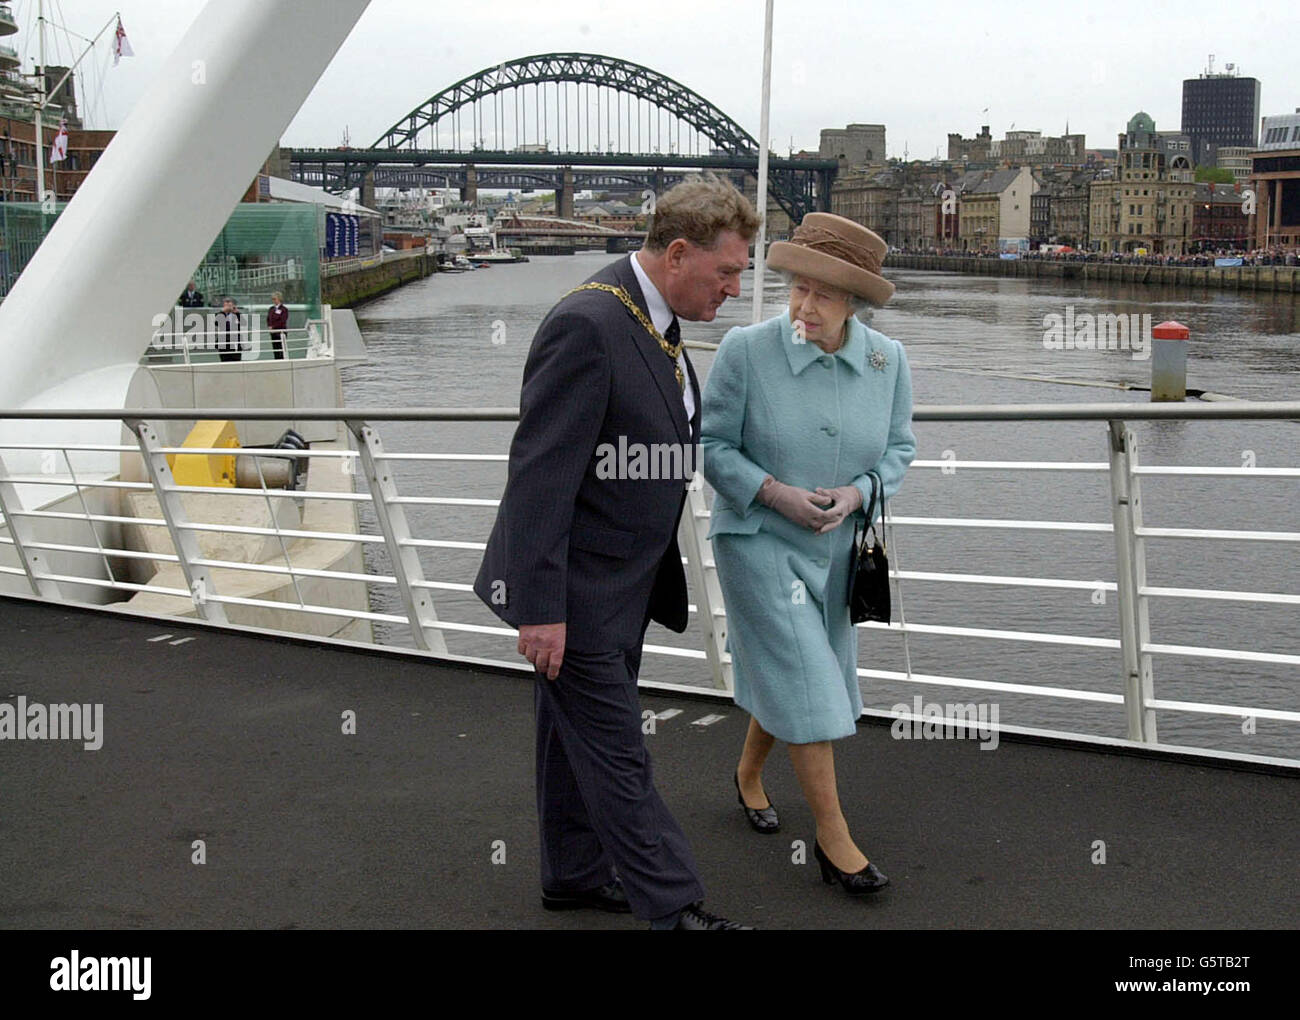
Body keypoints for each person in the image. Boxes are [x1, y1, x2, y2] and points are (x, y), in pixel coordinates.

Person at [473, 175, 758, 930]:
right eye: (727, 271)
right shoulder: (589, 325)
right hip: (574, 594)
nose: (735, 287)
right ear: (676, 254)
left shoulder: (651, 316)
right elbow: (539, 475)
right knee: (617, 754)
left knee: (571, 746)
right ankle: (676, 907)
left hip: (621, 584)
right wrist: (539, 610)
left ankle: (571, 875)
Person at [700, 212, 916, 898]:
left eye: (824, 293)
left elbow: (900, 451)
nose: (805, 305)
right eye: (798, 287)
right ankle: (833, 837)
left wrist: (857, 495)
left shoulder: (888, 361)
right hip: (758, 540)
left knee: (797, 668)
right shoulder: (746, 349)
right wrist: (773, 493)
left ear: (852, 301)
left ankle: (747, 776)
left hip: (837, 549)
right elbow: (709, 448)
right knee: (809, 679)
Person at [216, 296, 243, 362]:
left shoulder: (237, 314)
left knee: (236, 361)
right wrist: (223, 312)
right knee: (224, 362)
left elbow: (243, 323)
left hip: (235, 343)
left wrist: (237, 312)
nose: (228, 306)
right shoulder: (220, 314)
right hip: (223, 344)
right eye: (226, 304)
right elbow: (216, 322)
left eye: (229, 304)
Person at [267, 291, 289, 360]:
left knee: (281, 349)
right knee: (275, 349)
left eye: (275, 299)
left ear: (279, 299)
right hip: (273, 333)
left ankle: (282, 361)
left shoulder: (284, 309)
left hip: (280, 332)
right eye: (272, 299)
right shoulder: (271, 309)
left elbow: (282, 321)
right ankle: (276, 360)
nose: (273, 300)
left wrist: (273, 327)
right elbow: (268, 319)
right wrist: (269, 326)